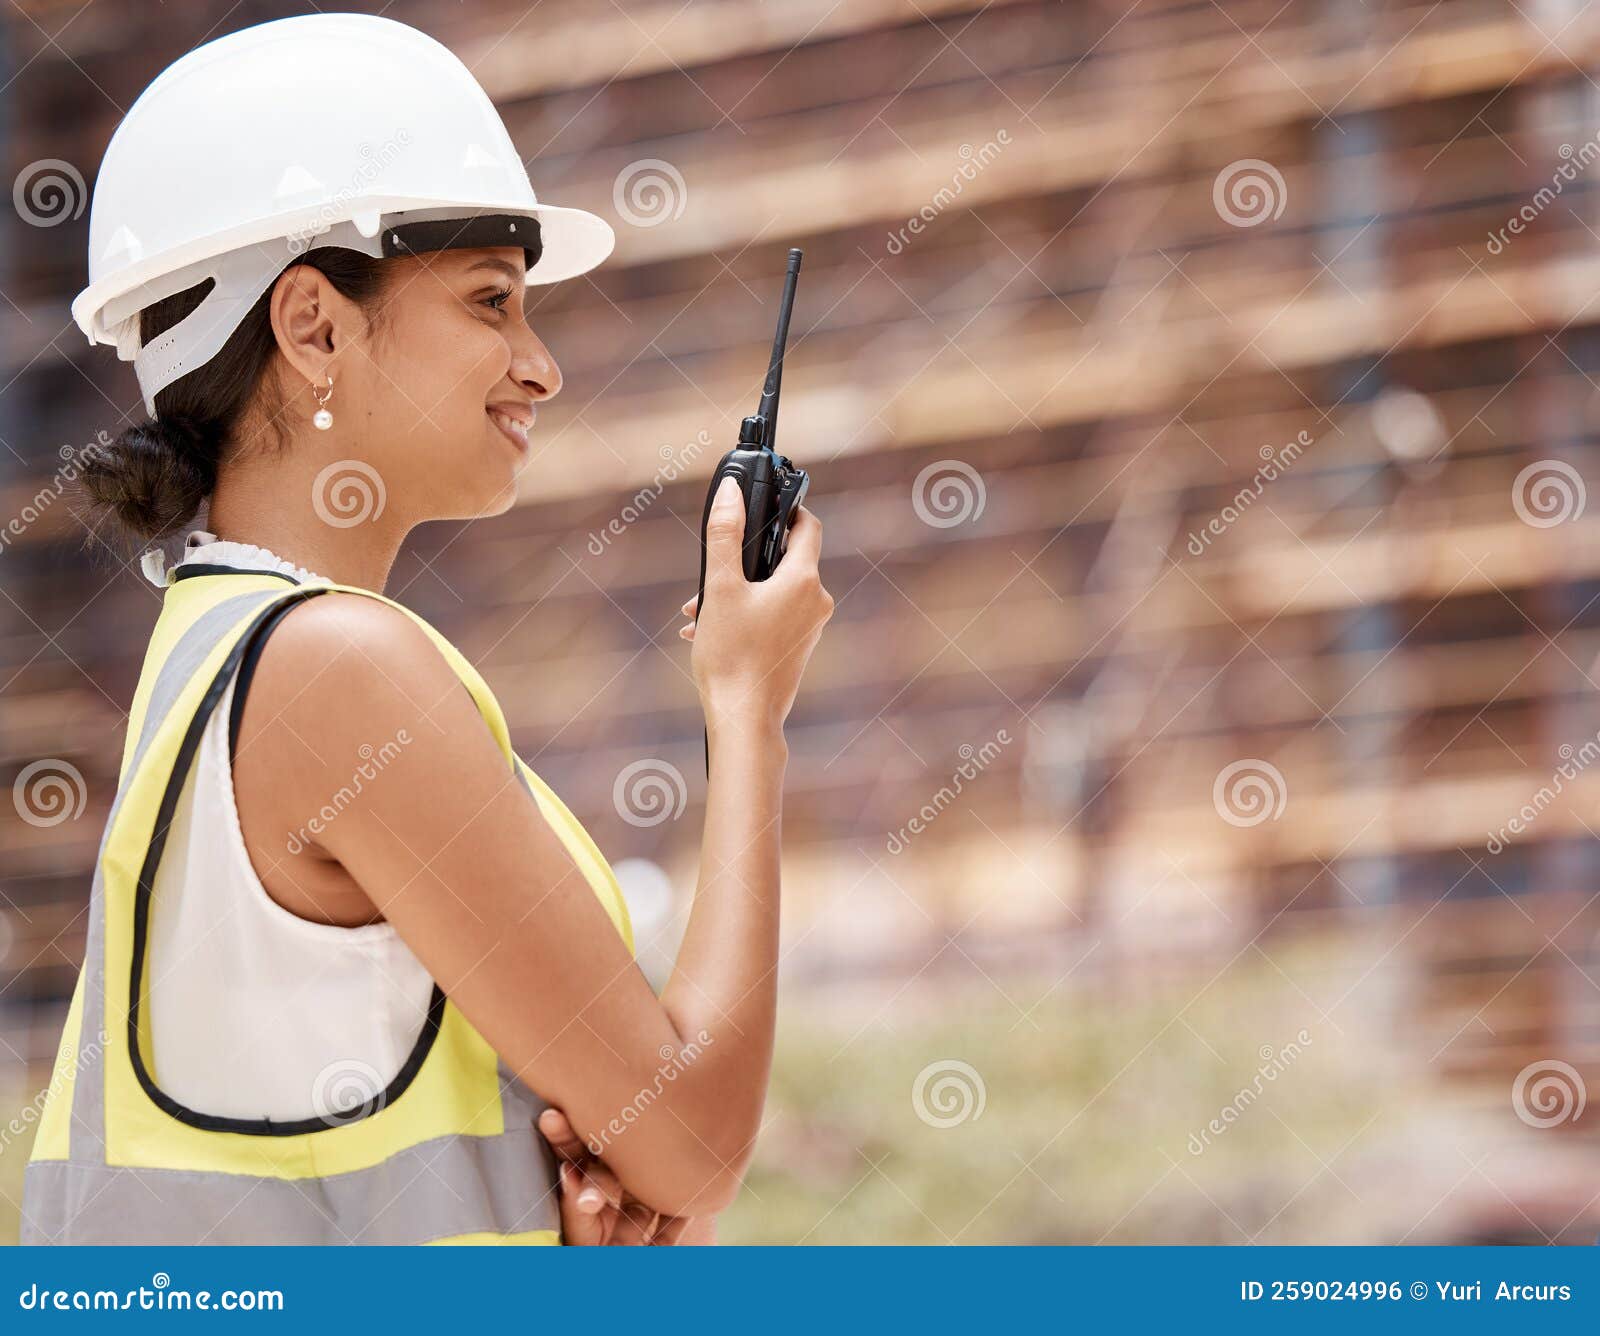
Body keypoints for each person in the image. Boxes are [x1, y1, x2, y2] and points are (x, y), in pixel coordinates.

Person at [21, 13, 831, 1246]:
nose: (539, 364)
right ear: (313, 328)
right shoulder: (339, 670)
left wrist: (553, 1185)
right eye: (491, 302)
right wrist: (747, 711)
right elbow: (699, 1140)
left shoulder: (220, 648)